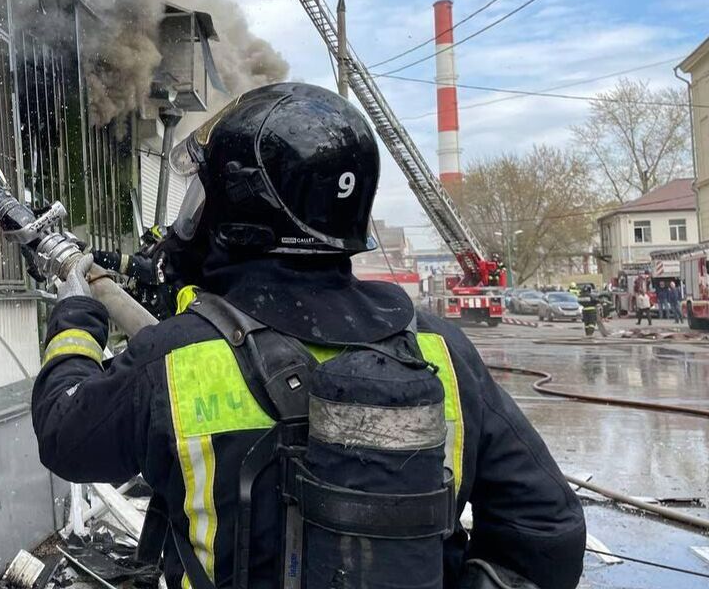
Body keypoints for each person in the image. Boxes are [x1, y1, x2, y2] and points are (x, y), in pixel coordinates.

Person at [32, 83, 585, 589]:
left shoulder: (173, 358)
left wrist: (75, 319)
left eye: (203, 198)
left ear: (239, 211)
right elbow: (547, 529)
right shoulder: (441, 349)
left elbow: (66, 437)